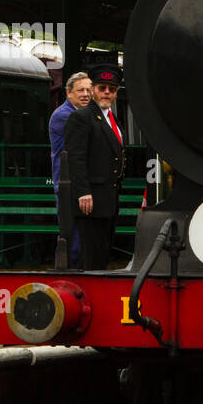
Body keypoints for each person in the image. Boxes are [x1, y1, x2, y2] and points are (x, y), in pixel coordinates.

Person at [65, 66, 125, 271]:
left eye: (112, 89)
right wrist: (83, 192)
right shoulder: (81, 117)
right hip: (91, 200)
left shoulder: (112, 119)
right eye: (102, 88)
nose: (107, 92)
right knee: (90, 257)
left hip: (108, 198)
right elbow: (76, 157)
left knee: (102, 253)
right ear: (93, 91)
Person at [48, 71, 92, 265]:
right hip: (69, 185)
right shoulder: (64, 116)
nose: (85, 94)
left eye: (89, 90)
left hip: (82, 184)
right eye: (80, 90)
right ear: (69, 93)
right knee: (72, 238)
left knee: (84, 237)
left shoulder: (86, 114)